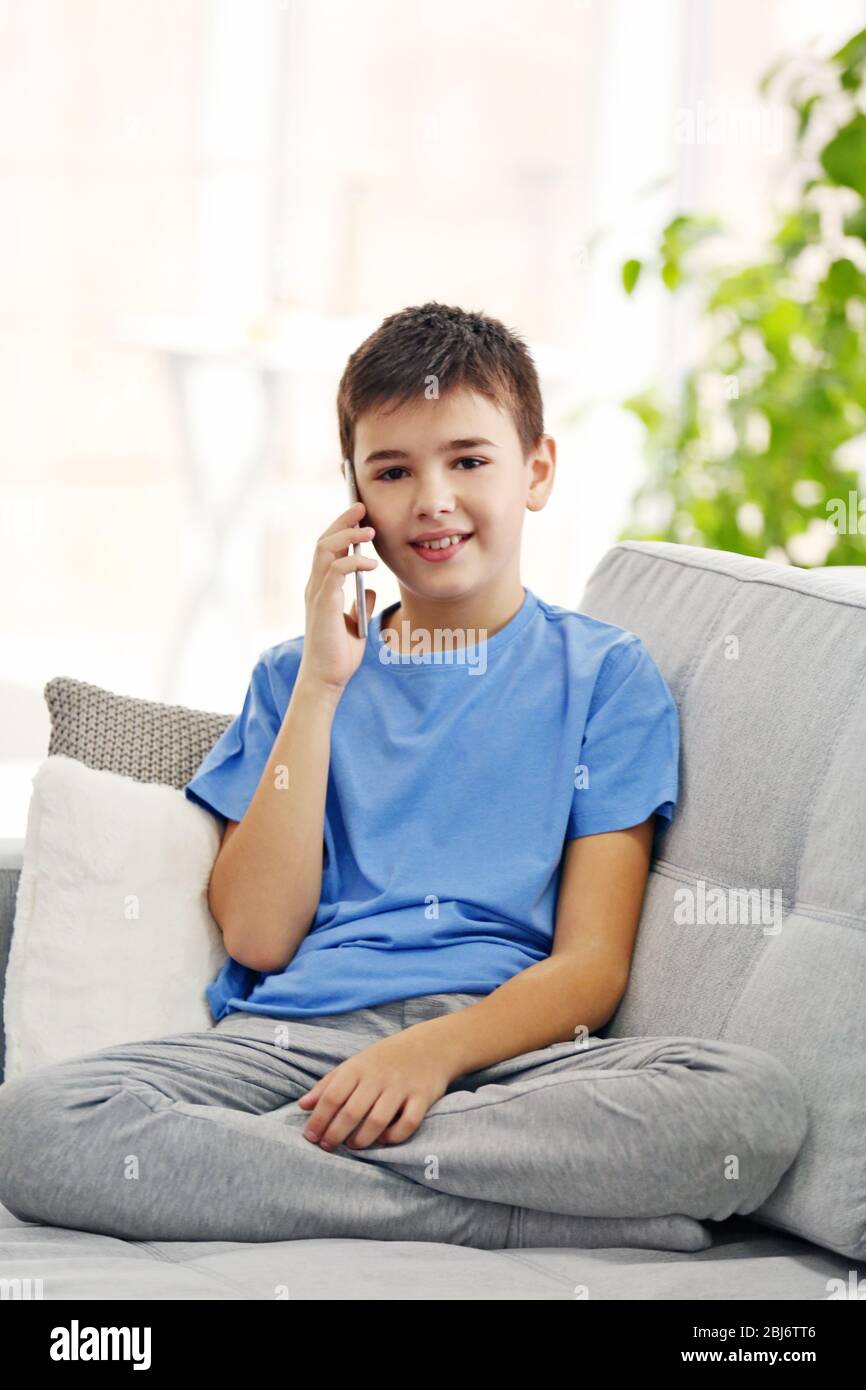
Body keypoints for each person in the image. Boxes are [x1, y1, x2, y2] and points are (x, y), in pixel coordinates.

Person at [0, 303, 806, 1251]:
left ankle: (274, 1171)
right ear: (354, 501)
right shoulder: (291, 679)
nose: (432, 499)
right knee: (38, 1124)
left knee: (751, 1106)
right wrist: (320, 688)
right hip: (291, 1047)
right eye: (393, 471)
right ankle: (500, 1213)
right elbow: (259, 933)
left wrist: (428, 1055)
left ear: (536, 470)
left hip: (506, 1055)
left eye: (469, 460)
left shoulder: (605, 676)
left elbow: (592, 965)